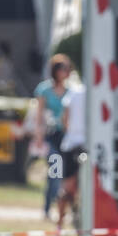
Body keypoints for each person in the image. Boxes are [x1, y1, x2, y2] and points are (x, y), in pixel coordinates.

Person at [33, 54, 71, 221]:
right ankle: (48, 208)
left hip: (65, 136)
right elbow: (39, 115)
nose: (66, 72)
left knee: (64, 175)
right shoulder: (44, 90)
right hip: (50, 135)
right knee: (56, 171)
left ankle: (61, 209)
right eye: (63, 69)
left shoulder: (71, 91)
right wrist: (39, 137)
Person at [55, 76, 85, 228]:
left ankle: (60, 223)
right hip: (86, 144)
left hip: (70, 143)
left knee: (66, 186)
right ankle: (73, 219)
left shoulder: (73, 92)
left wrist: (71, 132)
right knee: (80, 188)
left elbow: (64, 118)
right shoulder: (93, 92)